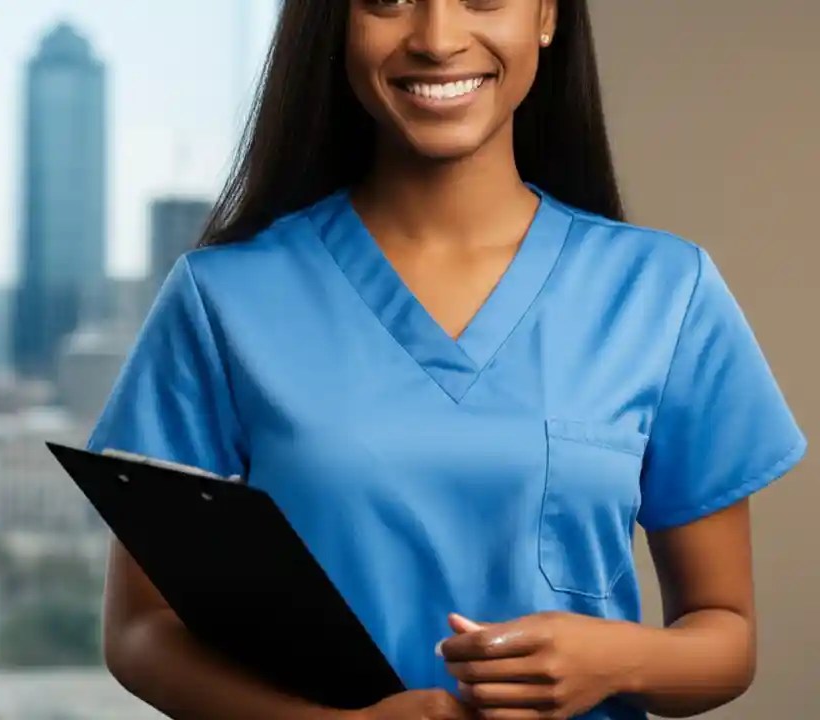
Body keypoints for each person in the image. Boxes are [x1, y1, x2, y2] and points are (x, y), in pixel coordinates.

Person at [84, 1, 808, 718]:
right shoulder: (223, 299)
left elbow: (725, 639)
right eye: (388, 1)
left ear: (547, 14)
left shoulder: (662, 291)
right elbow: (141, 631)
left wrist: (614, 660)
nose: (436, 39)